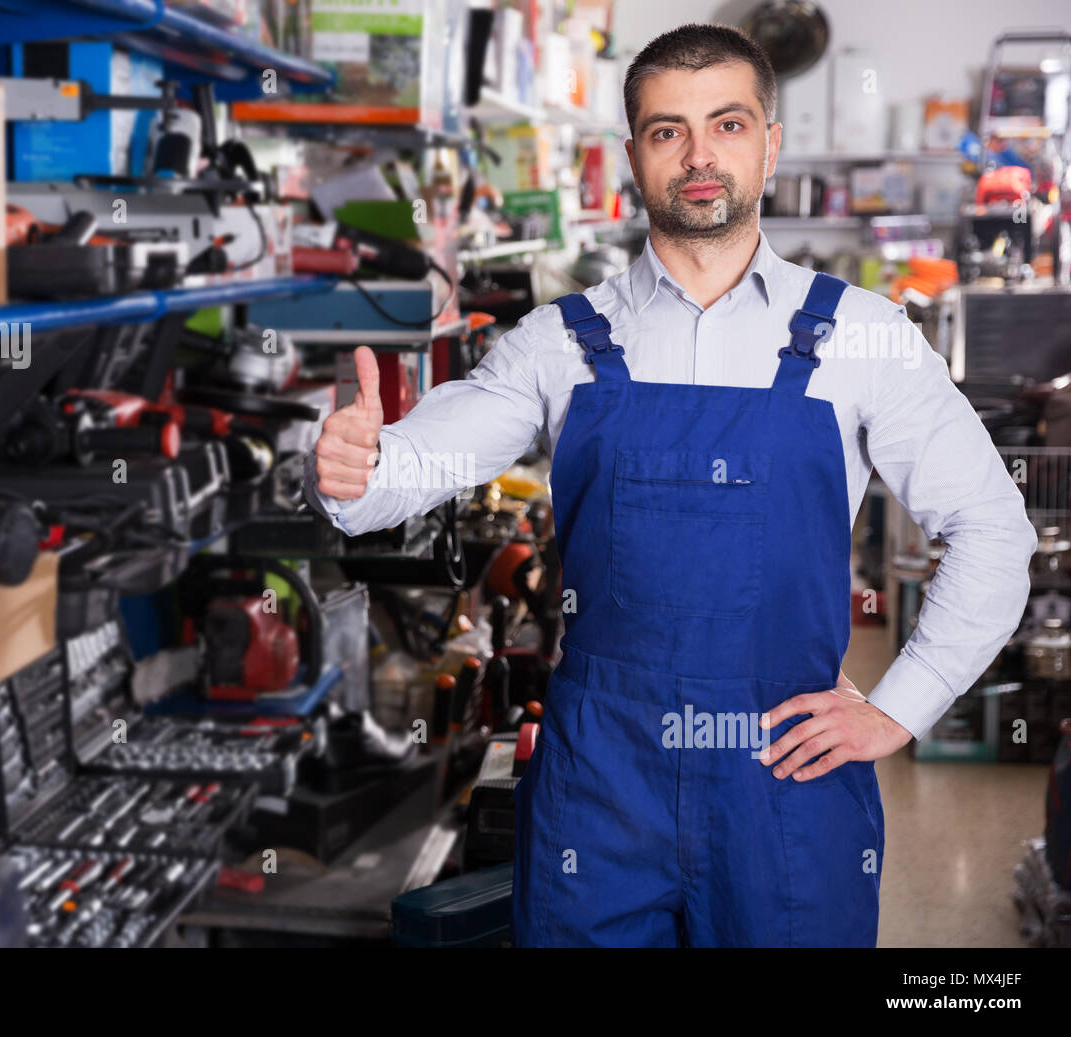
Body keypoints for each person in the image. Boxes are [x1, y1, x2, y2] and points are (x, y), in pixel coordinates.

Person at [303, 23, 1035, 947]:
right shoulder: (561, 340)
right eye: (666, 130)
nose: (698, 156)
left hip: (784, 778)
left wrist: (901, 705)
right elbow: (400, 477)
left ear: (770, 144)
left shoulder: (864, 336)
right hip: (601, 786)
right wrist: (348, 467)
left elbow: (994, 533)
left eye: (727, 124)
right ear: (633, 159)